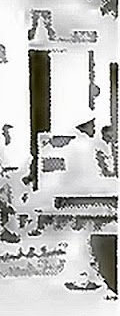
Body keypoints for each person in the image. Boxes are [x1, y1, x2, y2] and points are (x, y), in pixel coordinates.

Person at [61, 115, 110, 292]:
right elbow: (97, 172)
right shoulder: (86, 146)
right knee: (83, 240)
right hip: (84, 197)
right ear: (84, 126)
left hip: (77, 196)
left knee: (83, 239)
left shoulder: (75, 145)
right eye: (91, 125)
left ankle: (86, 275)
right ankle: (82, 276)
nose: (93, 128)